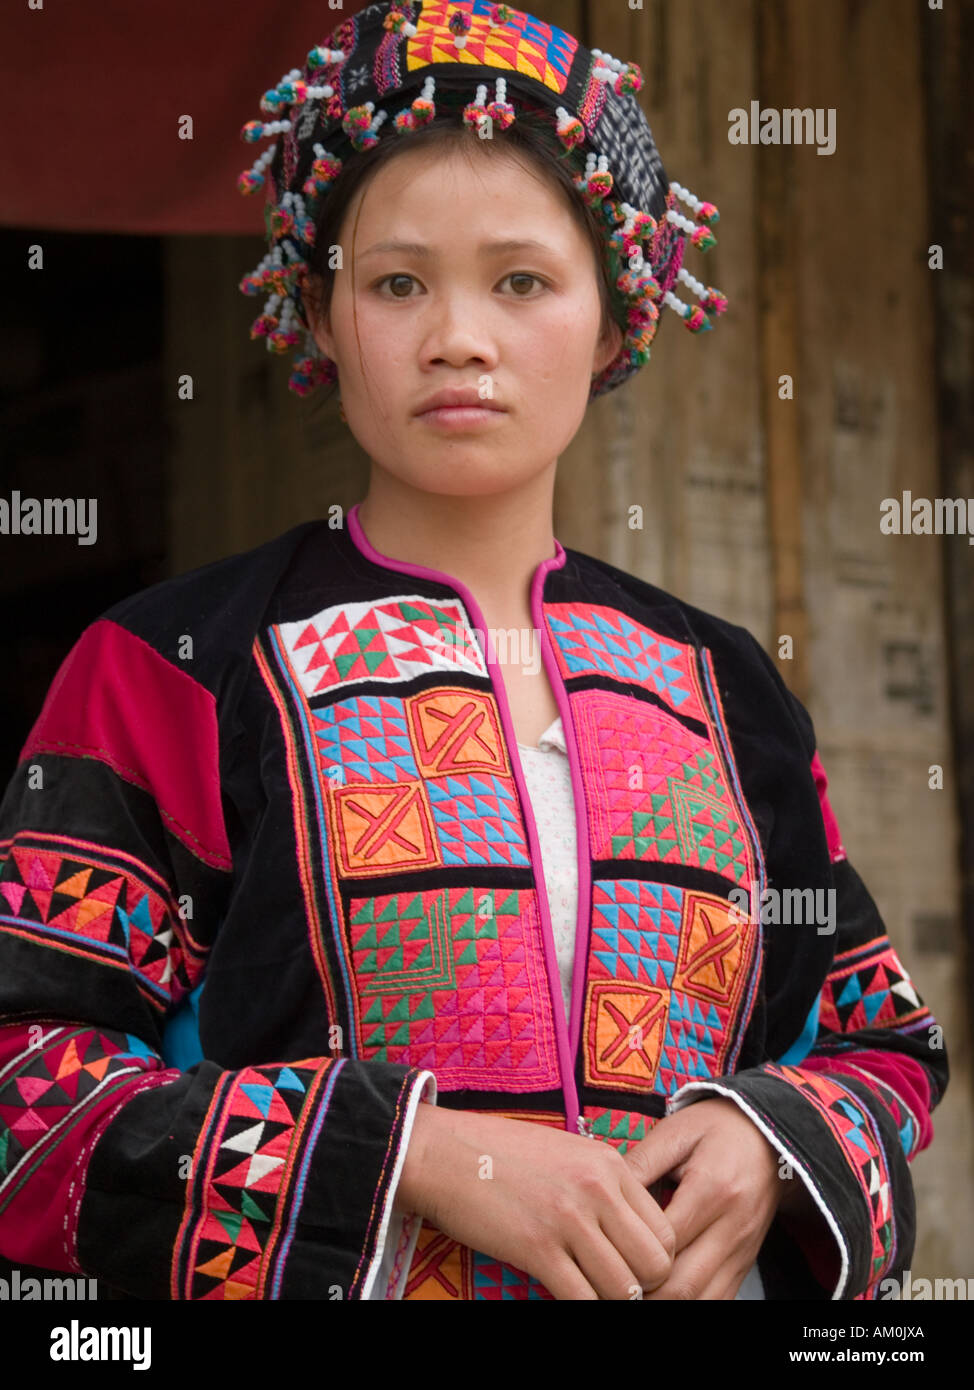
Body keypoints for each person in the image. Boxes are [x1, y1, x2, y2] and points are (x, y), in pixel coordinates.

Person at [0, 1, 947, 1301]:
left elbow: (878, 1046)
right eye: (396, 282)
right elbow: (25, 1085)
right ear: (319, 319)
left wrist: (767, 1138)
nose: (457, 335)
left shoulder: (724, 690)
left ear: (617, 321)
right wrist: (409, 1154)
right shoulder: (165, 666)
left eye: (520, 280)